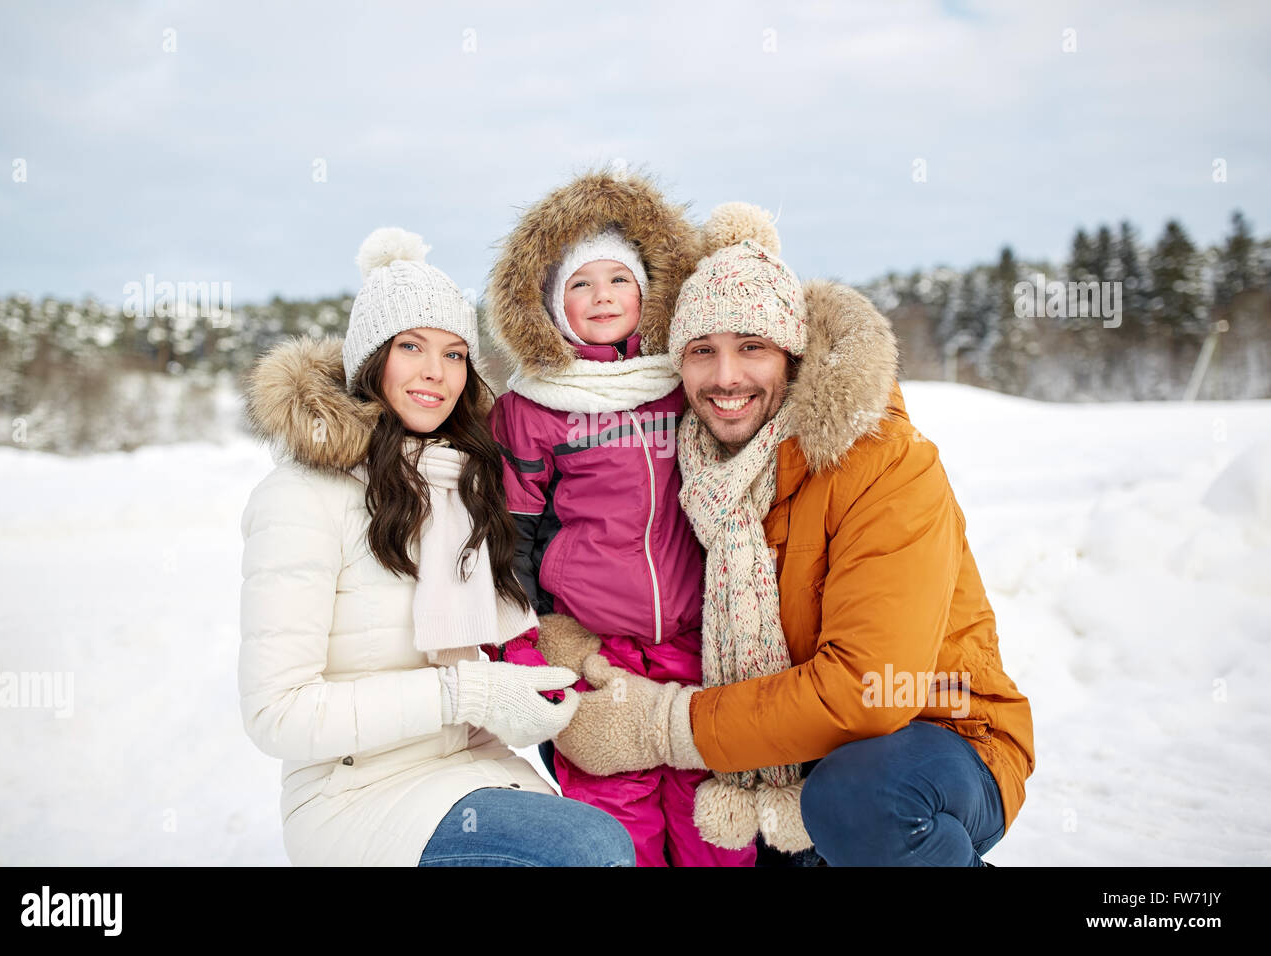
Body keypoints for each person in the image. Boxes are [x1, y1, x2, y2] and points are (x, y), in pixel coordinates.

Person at [538, 204, 1036, 866]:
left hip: (930, 739)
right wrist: (572, 664)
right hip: (780, 760)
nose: (726, 378)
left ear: (792, 356)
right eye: (701, 352)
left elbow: (866, 689)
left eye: (752, 348)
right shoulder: (690, 467)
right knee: (580, 729)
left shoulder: (881, 460)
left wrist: (660, 726)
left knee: (859, 798)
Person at [238, 226, 635, 867]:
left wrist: (524, 699)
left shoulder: (462, 482)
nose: (435, 372)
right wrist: (465, 694)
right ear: (370, 360)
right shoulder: (302, 496)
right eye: (411, 347)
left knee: (605, 842)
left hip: (472, 763)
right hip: (358, 790)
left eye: (454, 354)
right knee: (590, 849)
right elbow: (276, 714)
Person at [482, 171, 755, 866]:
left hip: (701, 650)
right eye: (580, 283)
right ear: (549, 304)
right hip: (599, 653)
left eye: (618, 280)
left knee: (713, 828)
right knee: (614, 830)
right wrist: (528, 656)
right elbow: (506, 542)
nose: (601, 296)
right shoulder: (534, 406)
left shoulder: (682, 384)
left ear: (649, 292)